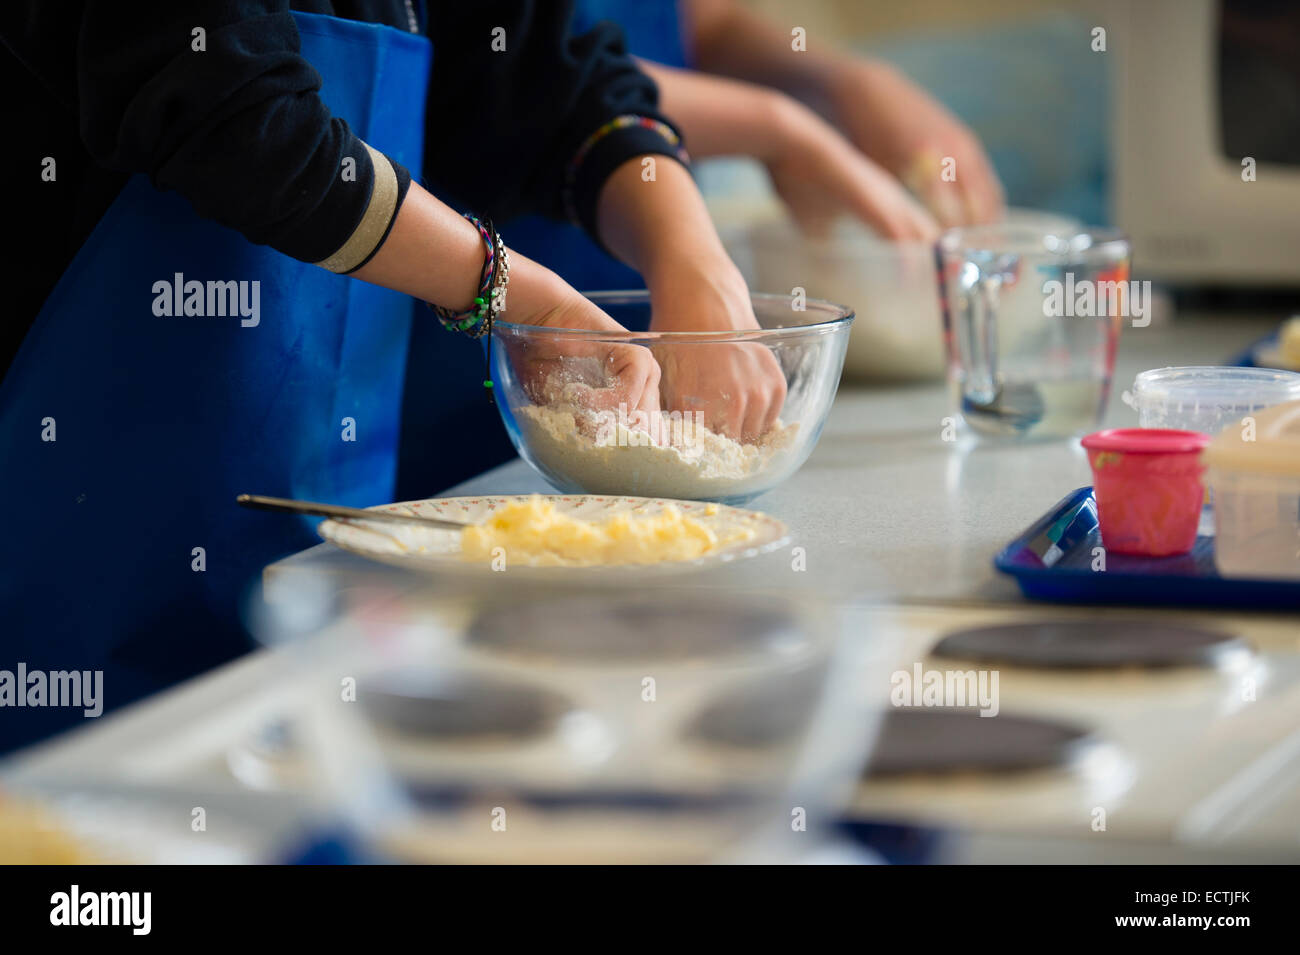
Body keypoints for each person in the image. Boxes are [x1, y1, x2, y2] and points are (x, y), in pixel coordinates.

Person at [0, 0, 775, 752]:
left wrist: (695, 263)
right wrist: (510, 290)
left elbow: (556, 80)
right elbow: (238, 116)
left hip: (316, 554)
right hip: (71, 554)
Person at [398, 0, 1007, 498]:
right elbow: (499, 74)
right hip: (462, 292)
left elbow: (675, 35)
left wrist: (830, 85)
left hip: (639, 218)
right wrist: (776, 127)